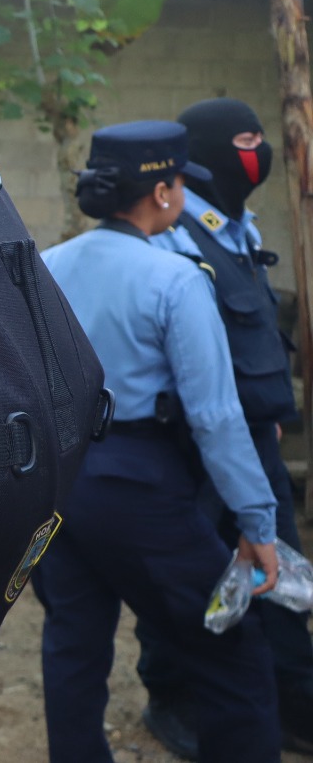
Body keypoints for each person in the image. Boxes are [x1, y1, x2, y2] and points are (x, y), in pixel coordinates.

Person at [34, 120, 282, 763]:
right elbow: (216, 417)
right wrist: (257, 521)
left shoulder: (49, 266)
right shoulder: (176, 279)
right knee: (231, 645)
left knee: (74, 647)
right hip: (139, 481)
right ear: (165, 193)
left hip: (61, 480)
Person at [136, 97, 313, 758]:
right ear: (207, 154)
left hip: (252, 436)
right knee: (191, 575)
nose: (260, 152)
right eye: (246, 140)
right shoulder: (175, 231)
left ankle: (294, 699)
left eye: (262, 138)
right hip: (191, 440)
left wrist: (267, 423)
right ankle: (171, 697)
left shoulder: (242, 228)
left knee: (278, 571)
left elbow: (257, 334)